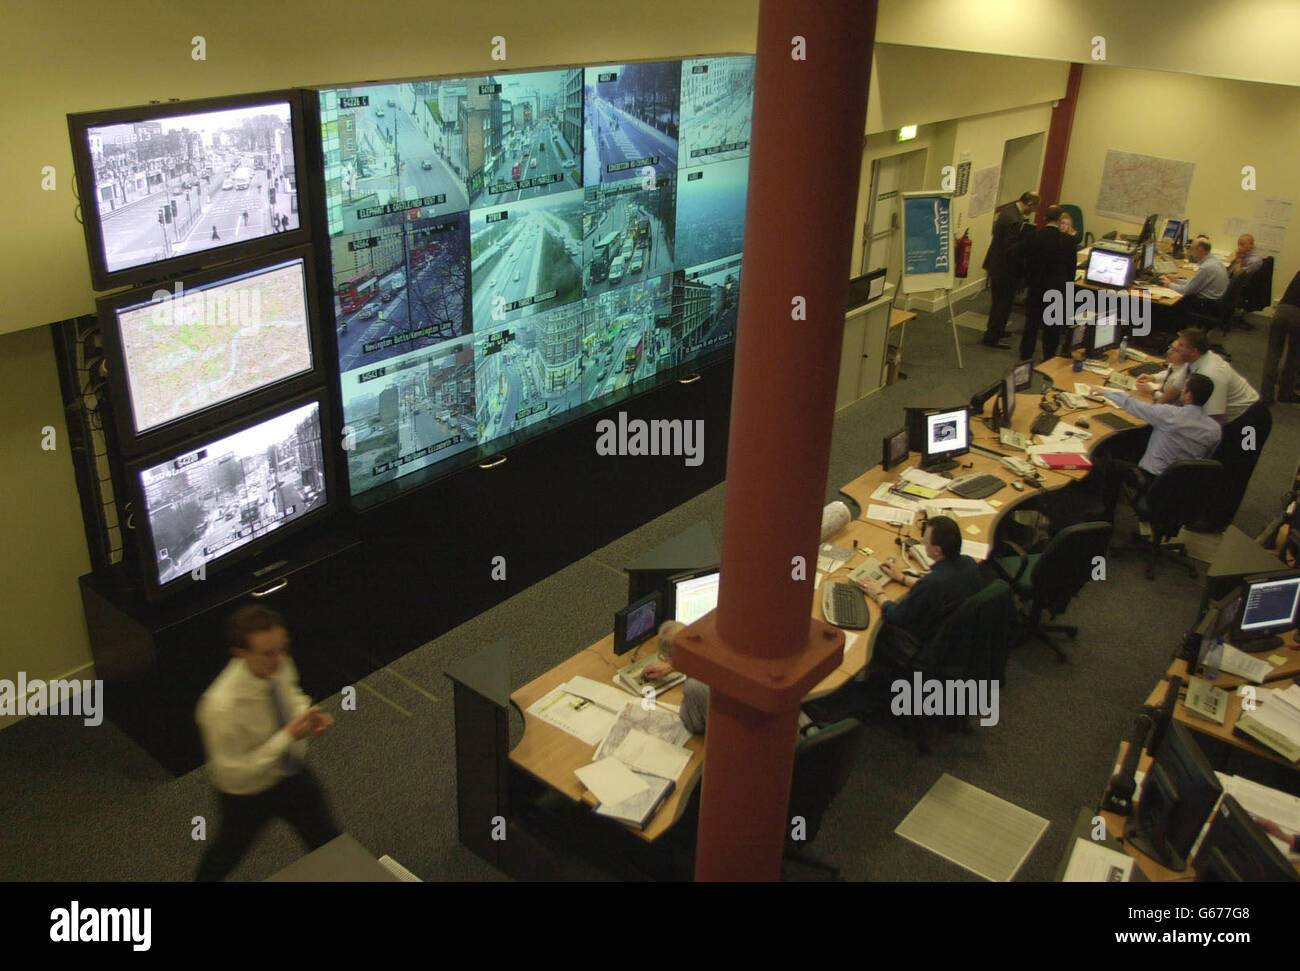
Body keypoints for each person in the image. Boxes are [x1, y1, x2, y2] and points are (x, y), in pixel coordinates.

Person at [194, 606, 340, 881]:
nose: (280, 660)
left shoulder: (278, 661)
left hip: (291, 773)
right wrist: (287, 737)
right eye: (269, 654)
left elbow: (290, 694)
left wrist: (307, 714)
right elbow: (233, 772)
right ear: (241, 654)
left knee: (328, 840)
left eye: (282, 648)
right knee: (224, 856)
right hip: (248, 794)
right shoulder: (220, 707)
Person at [1146, 328, 1271, 531]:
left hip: (1250, 422)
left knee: (1235, 469)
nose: (1175, 346)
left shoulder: (1212, 374)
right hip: (1233, 418)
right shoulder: (1193, 365)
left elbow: (1214, 422)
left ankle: (1216, 522)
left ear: (1194, 351)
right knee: (1218, 464)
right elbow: (1173, 392)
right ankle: (1203, 508)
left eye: (1181, 345)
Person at [852, 515, 983, 666]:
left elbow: (896, 615)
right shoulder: (969, 563)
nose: (922, 542)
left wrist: (878, 594)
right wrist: (902, 578)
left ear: (937, 550)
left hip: (929, 643)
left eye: (925, 541)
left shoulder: (932, 583)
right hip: (960, 637)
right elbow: (940, 586)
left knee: (878, 629)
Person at [1097, 373, 1221, 522]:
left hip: (1153, 481)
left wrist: (1105, 392)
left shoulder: (1170, 415)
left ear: (1189, 395)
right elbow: (1205, 460)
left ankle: (1106, 516)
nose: (1181, 391)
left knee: (1113, 465)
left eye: (1184, 389)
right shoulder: (1215, 430)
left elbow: (1134, 405)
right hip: (1185, 487)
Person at [1020, 204, 1080, 361]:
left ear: (1045, 218)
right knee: (1052, 324)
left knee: (1032, 321)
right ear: (1060, 220)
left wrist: (1028, 280)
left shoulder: (1034, 236)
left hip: (1037, 284)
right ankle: (1049, 356)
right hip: (1057, 287)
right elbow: (1071, 268)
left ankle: (1026, 353)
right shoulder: (1067, 240)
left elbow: (1027, 260)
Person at [982, 191, 1040, 349]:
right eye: (1034, 208)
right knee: (1002, 303)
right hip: (1004, 268)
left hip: (998, 265)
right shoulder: (1013, 219)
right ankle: (992, 336)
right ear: (1029, 203)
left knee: (1001, 303)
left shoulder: (1008, 211)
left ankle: (998, 330)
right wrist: (1028, 239)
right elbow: (1011, 248)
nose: (1033, 211)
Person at [640, 620, 708, 733]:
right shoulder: (716, 647)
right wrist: (674, 665)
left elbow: (693, 725)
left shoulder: (694, 686)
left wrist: (676, 663)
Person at [1163, 238, 1227, 323]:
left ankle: (1170, 329)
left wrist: (1169, 285)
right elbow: (1194, 282)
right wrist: (1176, 280)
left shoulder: (1205, 268)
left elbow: (1187, 290)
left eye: (1192, 248)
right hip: (1215, 302)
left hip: (1206, 305)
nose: (1190, 251)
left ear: (1200, 250)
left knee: (1172, 303)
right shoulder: (1214, 261)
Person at [1261, 270, 1300, 405]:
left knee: (1273, 354)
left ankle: (1266, 395)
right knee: (1293, 357)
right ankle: (1285, 393)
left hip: (1281, 311)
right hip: (1298, 317)